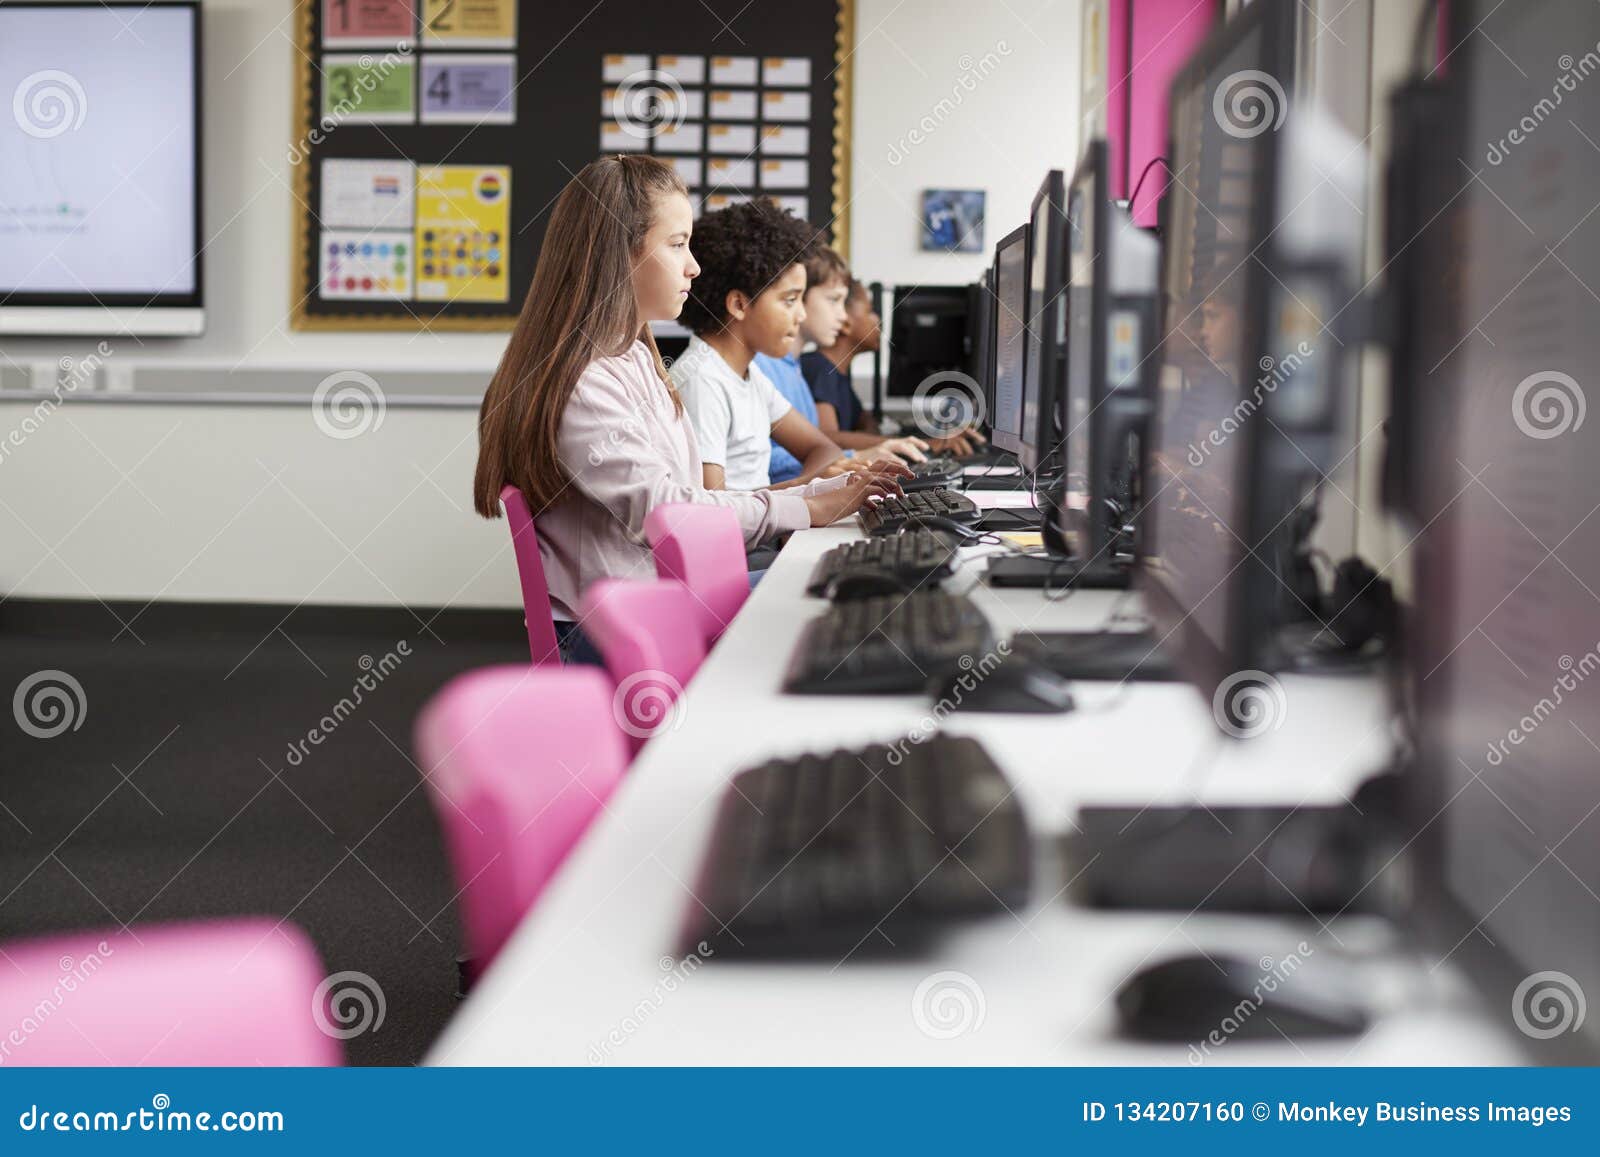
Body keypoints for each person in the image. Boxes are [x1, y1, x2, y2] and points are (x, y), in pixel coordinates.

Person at [471, 156, 899, 665]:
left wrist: (819, 492)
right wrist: (806, 507)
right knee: (837, 604)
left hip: (655, 602)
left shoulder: (632, 357)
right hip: (616, 629)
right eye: (677, 245)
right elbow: (669, 512)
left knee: (848, 589)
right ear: (619, 255)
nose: (693, 266)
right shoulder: (586, 382)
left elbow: (691, 499)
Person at [761, 246, 927, 483]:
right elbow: (762, 460)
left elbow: (815, 448)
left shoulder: (792, 366)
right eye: (833, 300)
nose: (842, 316)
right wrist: (853, 456)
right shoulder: (764, 367)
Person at [803, 277, 986, 456]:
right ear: (844, 321)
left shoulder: (837, 375)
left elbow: (866, 424)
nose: (878, 320)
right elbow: (829, 438)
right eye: (869, 311)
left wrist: (928, 437)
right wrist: (926, 444)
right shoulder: (820, 369)